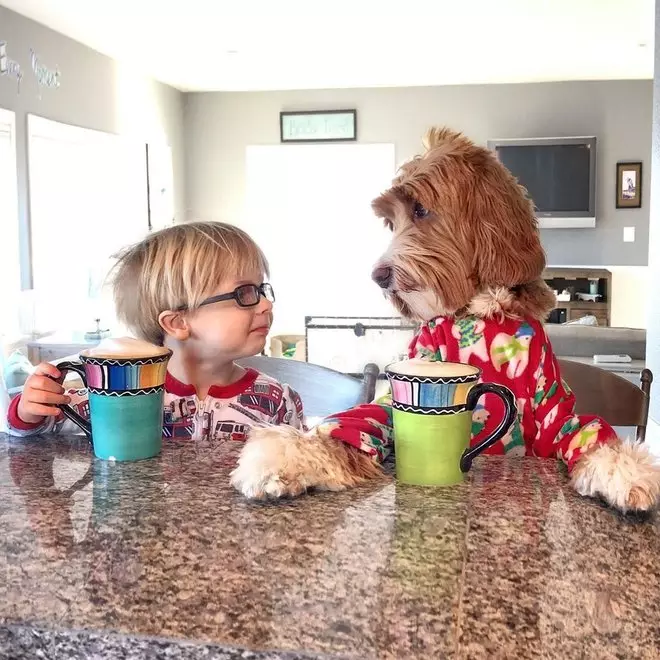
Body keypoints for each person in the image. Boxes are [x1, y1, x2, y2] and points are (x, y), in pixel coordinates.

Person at [7, 222, 304, 442]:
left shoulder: (277, 400)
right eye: (245, 293)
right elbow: (42, 430)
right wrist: (29, 412)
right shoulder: (125, 389)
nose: (266, 304)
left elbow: (300, 470)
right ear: (177, 323)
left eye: (261, 289)